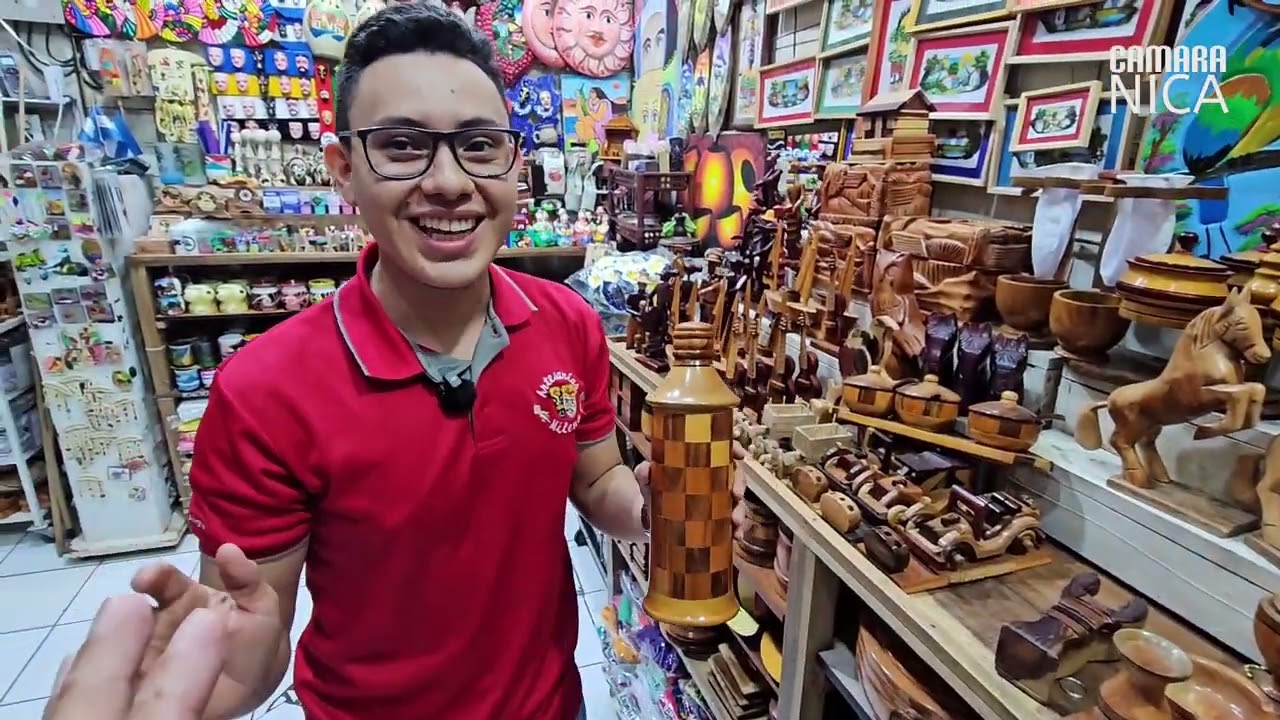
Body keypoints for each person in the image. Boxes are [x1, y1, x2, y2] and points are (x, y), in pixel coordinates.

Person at [53, 4, 747, 720]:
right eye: (404, 146)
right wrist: (212, 675)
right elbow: (248, 640)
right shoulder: (264, 392)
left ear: (515, 164)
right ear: (345, 171)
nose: (448, 183)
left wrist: (655, 511)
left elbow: (595, 477)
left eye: (479, 146)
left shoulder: (567, 323)